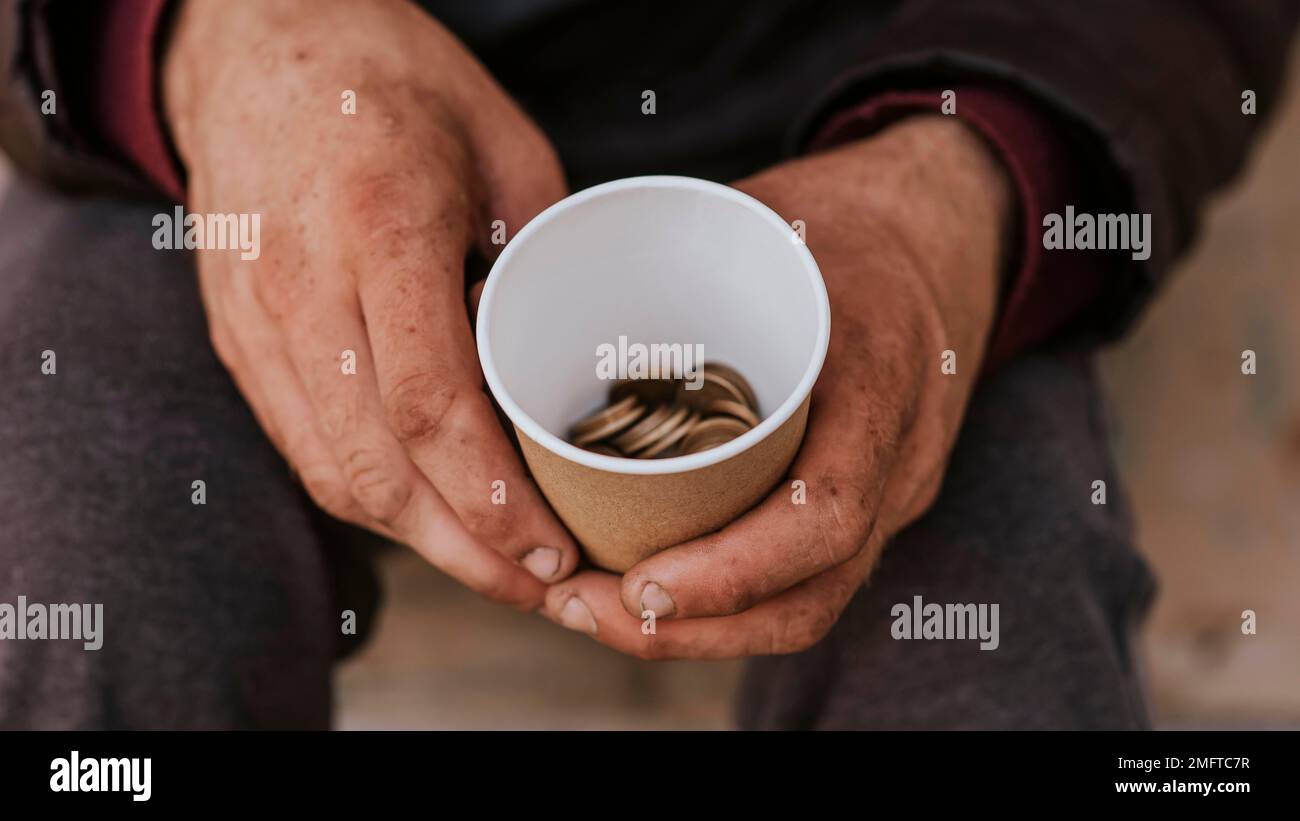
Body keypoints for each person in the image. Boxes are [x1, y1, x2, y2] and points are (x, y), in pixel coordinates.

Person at [0, 0, 1294, 729]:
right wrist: (201, 42)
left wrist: (974, 169)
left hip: (884, 123)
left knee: (994, 637)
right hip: (245, 127)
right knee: (85, 549)